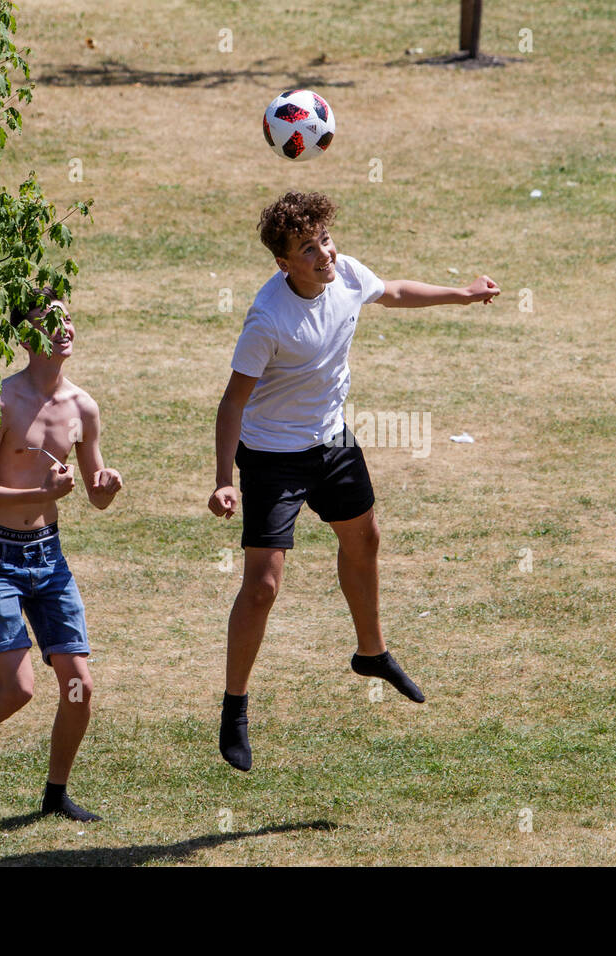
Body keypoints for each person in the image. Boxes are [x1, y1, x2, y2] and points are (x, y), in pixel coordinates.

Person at [208, 190, 500, 771]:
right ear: (283, 262)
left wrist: (461, 294)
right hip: (272, 454)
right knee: (263, 586)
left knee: (364, 539)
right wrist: (224, 479)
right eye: (307, 249)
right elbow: (232, 401)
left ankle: (372, 653)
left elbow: (390, 292)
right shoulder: (269, 318)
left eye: (325, 240)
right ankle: (234, 706)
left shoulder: (344, 276)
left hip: (332, 440)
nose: (324, 254)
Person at [0, 290, 123, 822]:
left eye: (68, 318)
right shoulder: (0, 402)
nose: (63, 328)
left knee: (79, 685)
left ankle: (56, 795)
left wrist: (105, 485)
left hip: (46, 555)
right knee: (18, 688)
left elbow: (94, 495)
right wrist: (43, 496)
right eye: (48, 320)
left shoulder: (83, 408)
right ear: (25, 336)